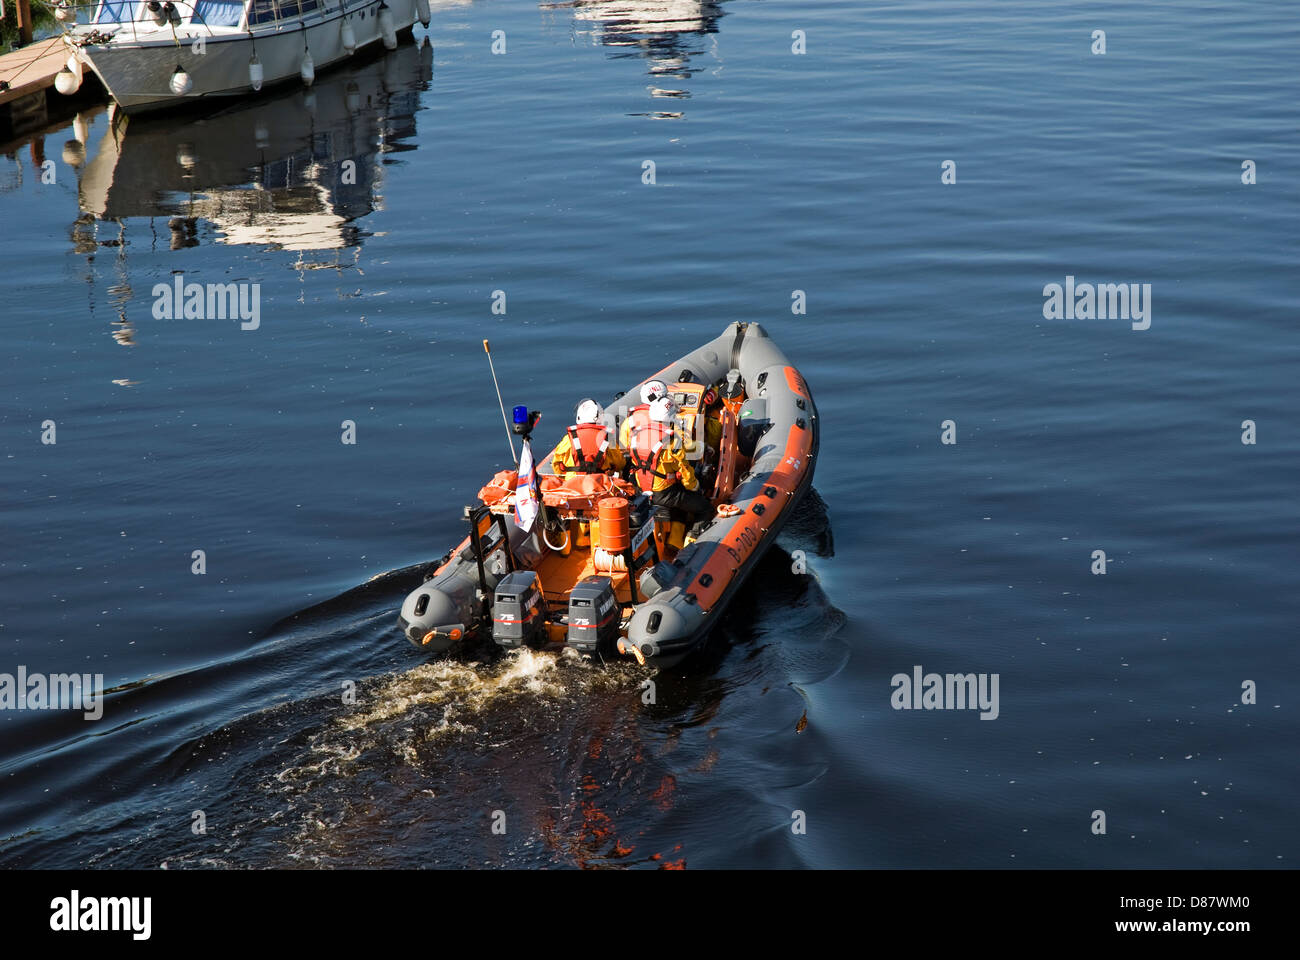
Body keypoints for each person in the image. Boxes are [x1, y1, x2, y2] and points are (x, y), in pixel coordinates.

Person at [626, 396, 712, 561]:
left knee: (681, 500)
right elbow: (685, 470)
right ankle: (690, 543)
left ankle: (674, 540)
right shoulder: (672, 440)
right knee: (704, 508)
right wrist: (695, 487)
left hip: (640, 489)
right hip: (665, 493)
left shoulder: (636, 434)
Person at [550, 399, 625, 476]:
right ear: (601, 417)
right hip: (600, 484)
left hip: (572, 484)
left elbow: (557, 464)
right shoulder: (608, 438)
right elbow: (620, 463)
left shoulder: (568, 439)